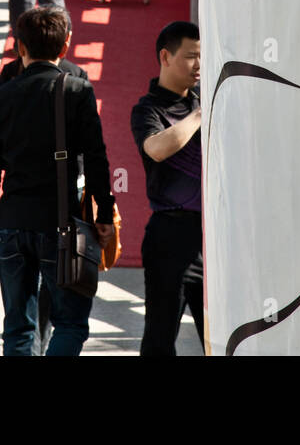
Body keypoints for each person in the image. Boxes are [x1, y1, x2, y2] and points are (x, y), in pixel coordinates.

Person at [0, 6, 116, 356]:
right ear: (66, 46)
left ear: (20, 47)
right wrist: (103, 216)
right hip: (61, 222)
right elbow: (97, 159)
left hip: (12, 223)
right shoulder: (78, 91)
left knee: (18, 328)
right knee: (70, 323)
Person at [131, 21, 203, 356]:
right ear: (165, 57)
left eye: (203, 56)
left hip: (213, 239)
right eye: (191, 57)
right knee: (159, 341)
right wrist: (202, 115)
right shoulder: (148, 109)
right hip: (169, 236)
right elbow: (157, 149)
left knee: (222, 339)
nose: (199, 65)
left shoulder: (206, 100)